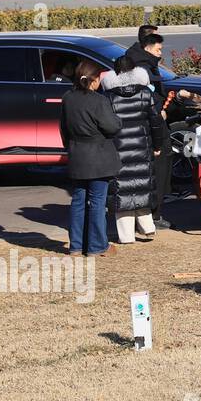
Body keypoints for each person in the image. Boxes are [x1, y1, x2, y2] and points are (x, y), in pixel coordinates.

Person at [101, 56, 168, 245]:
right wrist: (157, 145)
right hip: (143, 146)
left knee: (122, 189)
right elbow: (156, 123)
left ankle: (126, 235)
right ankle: (148, 227)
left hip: (118, 148)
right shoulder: (145, 93)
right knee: (141, 185)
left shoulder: (108, 97)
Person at [60, 60, 121, 257]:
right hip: (98, 157)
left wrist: (70, 147)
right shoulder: (99, 100)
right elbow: (112, 127)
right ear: (94, 80)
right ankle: (97, 246)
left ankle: (76, 245)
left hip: (77, 154)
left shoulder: (68, 98)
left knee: (78, 200)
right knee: (97, 202)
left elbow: (63, 128)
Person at [124, 28, 172, 228]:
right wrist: (158, 112)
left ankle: (149, 214)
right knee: (157, 169)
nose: (161, 53)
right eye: (159, 49)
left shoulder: (140, 63)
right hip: (151, 127)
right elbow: (149, 98)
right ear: (148, 46)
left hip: (144, 127)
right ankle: (153, 215)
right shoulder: (143, 68)